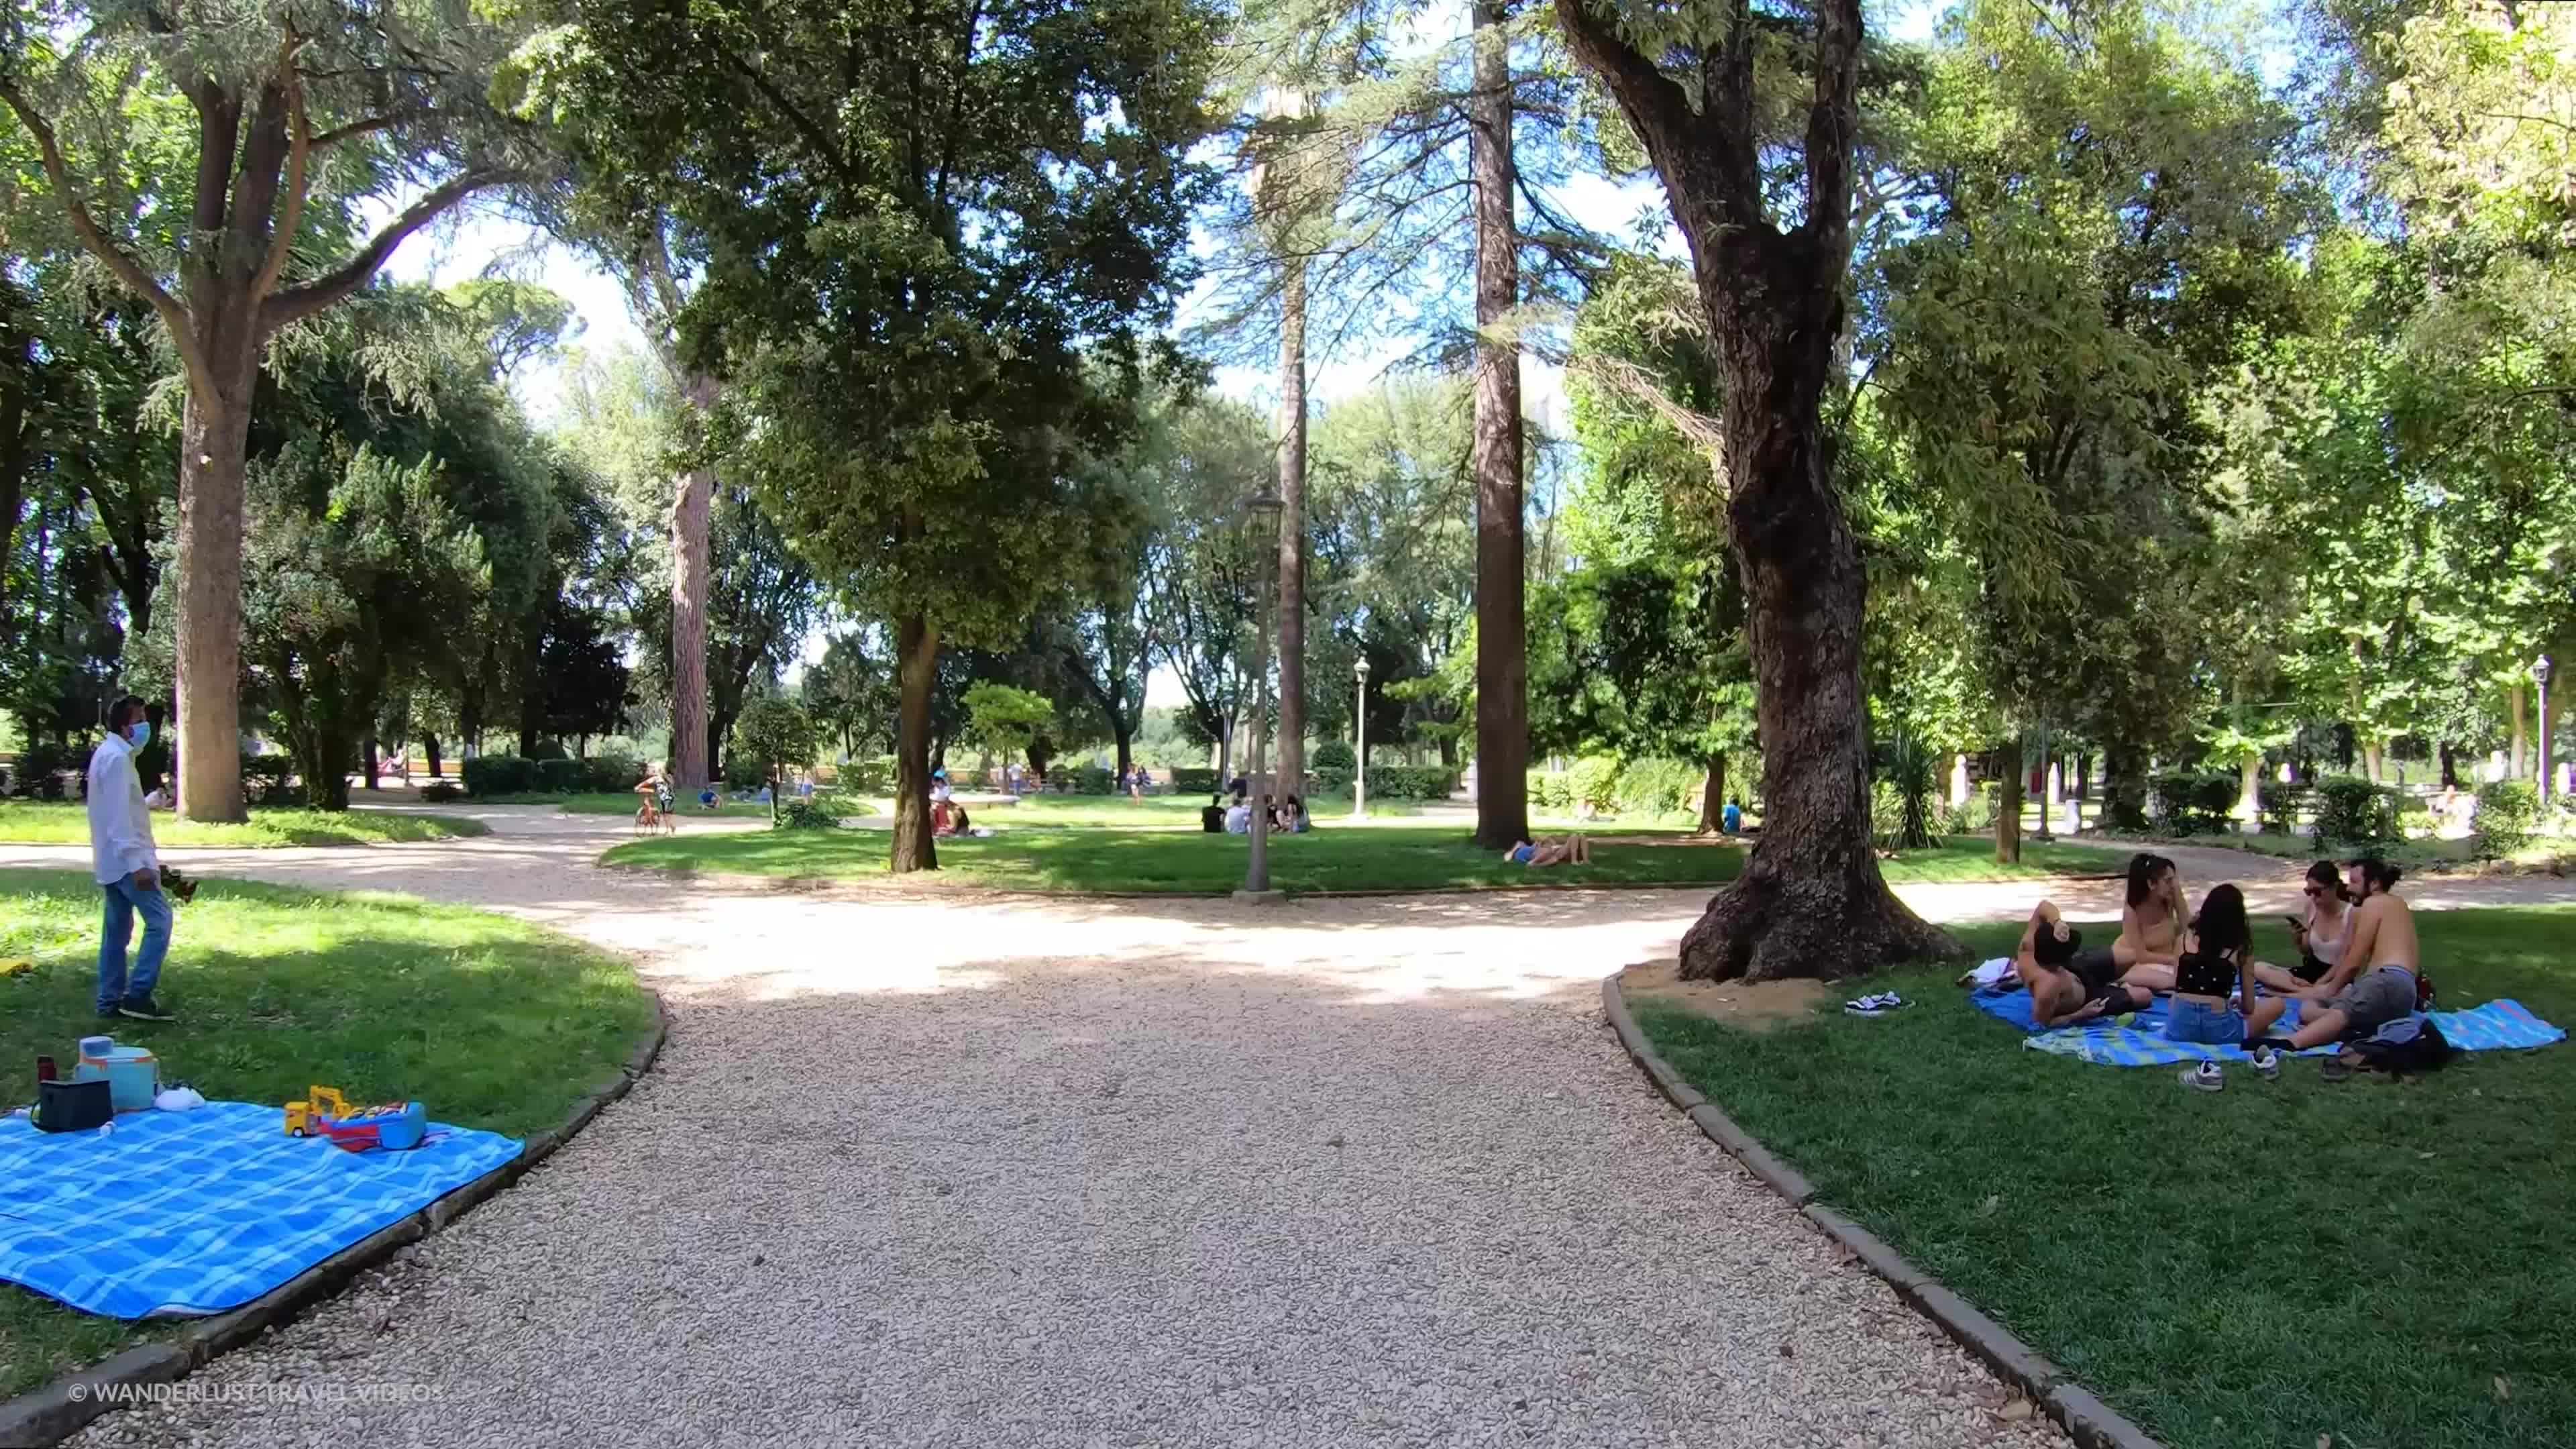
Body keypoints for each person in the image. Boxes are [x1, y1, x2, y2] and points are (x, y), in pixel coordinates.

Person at [88, 696, 174, 1022]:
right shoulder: (118, 760)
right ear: (125, 726)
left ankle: (108, 1002)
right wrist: (137, 863)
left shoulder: (108, 755)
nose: (145, 727)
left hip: (111, 861)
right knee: (160, 921)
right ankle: (138, 995)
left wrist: (148, 802)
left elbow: (118, 807)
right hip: (126, 862)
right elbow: (119, 818)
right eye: (140, 720)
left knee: (116, 931)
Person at [2284, 857, 2421, 1057]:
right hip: (2407, 994)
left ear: (2374, 883)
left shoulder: (2373, 904)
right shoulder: (2399, 904)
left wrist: (2326, 991)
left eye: (2355, 882)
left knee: (2322, 1012)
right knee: (2314, 1009)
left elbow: (2353, 963)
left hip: (2384, 981)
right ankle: (2365, 1030)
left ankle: (2290, 1043)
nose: (2348, 889)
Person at [2166, 883, 2288, 1089]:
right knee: (2277, 1005)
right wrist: (2238, 1003)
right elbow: (2249, 1008)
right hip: (2221, 1031)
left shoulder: (2183, 940)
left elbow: (2179, 987)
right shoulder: (2240, 948)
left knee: (2175, 1001)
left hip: (2179, 1027)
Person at [2015, 900, 2147, 1027]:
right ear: (2062, 960)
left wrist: (2057, 922)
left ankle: (2115, 981)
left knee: (2131, 955)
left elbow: (2043, 906)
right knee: (2145, 995)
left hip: (2078, 969)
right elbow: (2042, 1023)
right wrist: (2081, 1014)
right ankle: (2115, 984)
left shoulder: (2029, 946)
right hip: (2087, 999)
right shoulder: (2047, 986)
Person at [2252, 860, 2350, 995]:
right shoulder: (2311, 906)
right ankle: (2301, 992)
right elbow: (2306, 951)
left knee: (2345, 992)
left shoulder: (2350, 914)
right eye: (2308, 892)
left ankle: (2290, 993)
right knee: (2258, 968)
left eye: (2317, 891)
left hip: (2336, 978)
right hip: (2309, 974)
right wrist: (2297, 937)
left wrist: (2319, 983)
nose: (2313, 897)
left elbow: (2347, 960)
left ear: (2334, 886)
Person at [1505, 834, 1591, 867]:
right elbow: (1507, 858)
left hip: (1557, 850)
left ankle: (1586, 860)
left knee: (1582, 836)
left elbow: (1553, 844)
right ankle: (1574, 861)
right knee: (1574, 837)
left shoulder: (1532, 846)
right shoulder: (1519, 848)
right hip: (1557, 854)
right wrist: (1513, 851)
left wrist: (1547, 840)